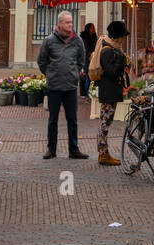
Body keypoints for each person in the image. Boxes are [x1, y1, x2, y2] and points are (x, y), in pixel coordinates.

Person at [37, 11, 88, 159]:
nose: (70, 25)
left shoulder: (77, 40)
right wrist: (50, 73)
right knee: (53, 120)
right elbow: (41, 61)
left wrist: (75, 72)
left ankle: (74, 149)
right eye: (67, 22)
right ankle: (51, 149)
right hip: (54, 87)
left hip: (71, 87)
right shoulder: (49, 41)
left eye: (71, 22)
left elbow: (81, 59)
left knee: (72, 120)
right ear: (59, 24)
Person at [96, 20, 128, 165]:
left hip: (109, 91)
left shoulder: (111, 49)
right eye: (122, 36)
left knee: (105, 122)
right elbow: (112, 72)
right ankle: (103, 154)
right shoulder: (108, 51)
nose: (123, 40)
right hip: (108, 92)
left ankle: (103, 152)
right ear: (118, 36)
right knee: (105, 123)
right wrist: (121, 59)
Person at [79, 21, 97, 97]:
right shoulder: (84, 38)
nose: (94, 28)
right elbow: (85, 50)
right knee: (88, 77)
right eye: (92, 27)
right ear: (89, 29)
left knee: (91, 77)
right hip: (86, 59)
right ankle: (86, 94)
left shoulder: (94, 37)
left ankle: (90, 93)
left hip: (93, 58)